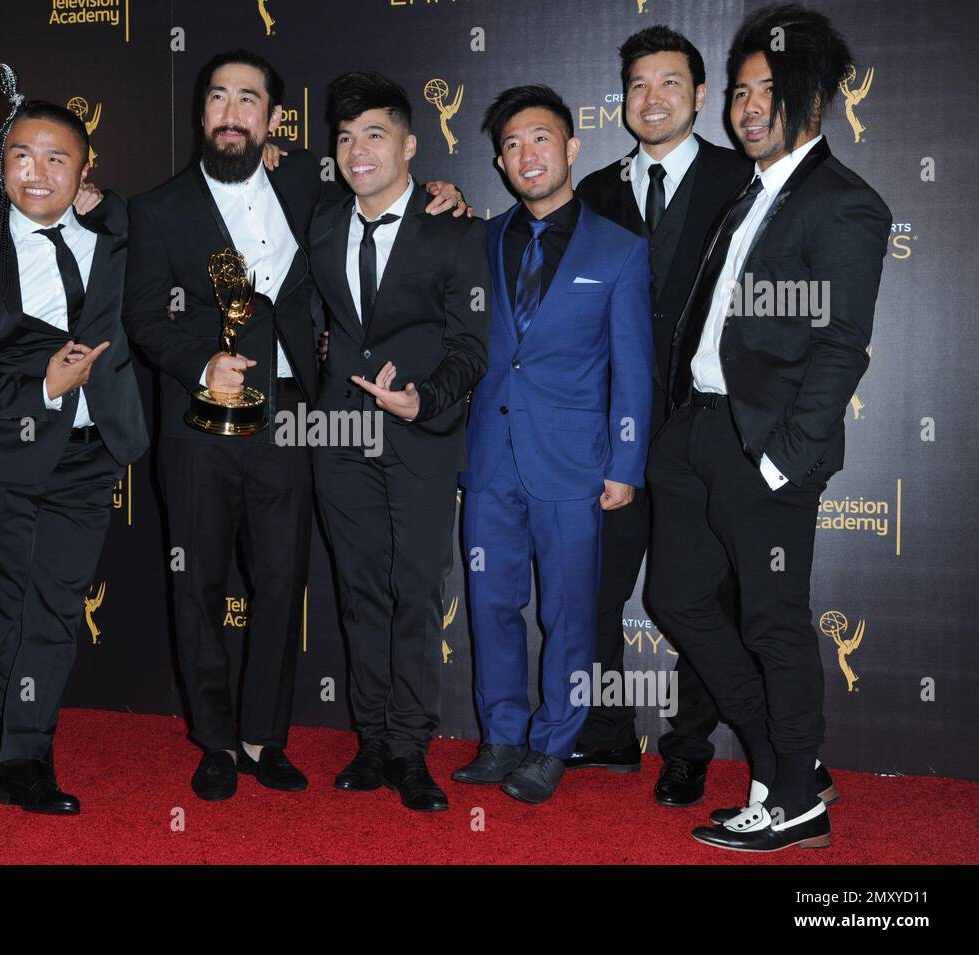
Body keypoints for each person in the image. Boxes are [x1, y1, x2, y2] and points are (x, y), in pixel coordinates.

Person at [123, 50, 466, 802]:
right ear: (201, 111)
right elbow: (145, 316)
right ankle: (214, 739)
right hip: (199, 422)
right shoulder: (156, 209)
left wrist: (446, 192)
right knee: (199, 586)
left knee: (281, 582)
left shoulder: (311, 178)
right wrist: (197, 360)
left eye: (249, 99)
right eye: (219, 96)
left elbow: (388, 189)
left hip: (296, 419)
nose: (232, 112)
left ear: (272, 118)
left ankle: (262, 736)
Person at [647, 3, 891, 851]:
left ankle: (799, 799)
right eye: (741, 91)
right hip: (696, 435)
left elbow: (843, 345)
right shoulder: (746, 193)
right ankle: (784, 765)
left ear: (815, 99)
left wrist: (783, 460)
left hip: (766, 448)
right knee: (674, 596)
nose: (749, 107)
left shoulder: (846, 205)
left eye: (770, 91)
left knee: (773, 621)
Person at [0, 68, 147, 814]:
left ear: (85, 171)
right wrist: (43, 388)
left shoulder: (113, 233)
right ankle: (25, 755)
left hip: (89, 459)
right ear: (1, 161)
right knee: (4, 609)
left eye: (58, 158)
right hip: (2, 458)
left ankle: (22, 753)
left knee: (54, 608)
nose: (38, 172)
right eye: (22, 155)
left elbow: (198, 212)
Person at [453, 84, 652, 805]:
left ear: (571, 148)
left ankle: (553, 741)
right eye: (511, 144)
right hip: (488, 458)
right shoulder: (479, 239)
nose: (526, 154)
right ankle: (501, 733)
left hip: (575, 464)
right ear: (501, 163)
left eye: (540, 139)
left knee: (569, 613)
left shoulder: (621, 250)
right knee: (489, 602)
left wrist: (625, 464)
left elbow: (634, 367)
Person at [571, 25, 753, 808]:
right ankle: (607, 733)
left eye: (670, 83)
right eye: (638, 85)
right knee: (597, 592)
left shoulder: (744, 181)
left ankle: (688, 749)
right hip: (611, 435)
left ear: (701, 96)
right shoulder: (596, 194)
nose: (652, 98)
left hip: (703, 435)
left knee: (697, 600)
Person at [311, 72, 489, 813]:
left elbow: (471, 345)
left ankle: (411, 746)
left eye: (375, 135)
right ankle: (372, 739)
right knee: (359, 593)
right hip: (337, 434)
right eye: (346, 138)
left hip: (421, 434)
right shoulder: (319, 223)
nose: (358, 151)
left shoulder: (456, 229)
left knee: (414, 592)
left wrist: (425, 399)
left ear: (410, 146)